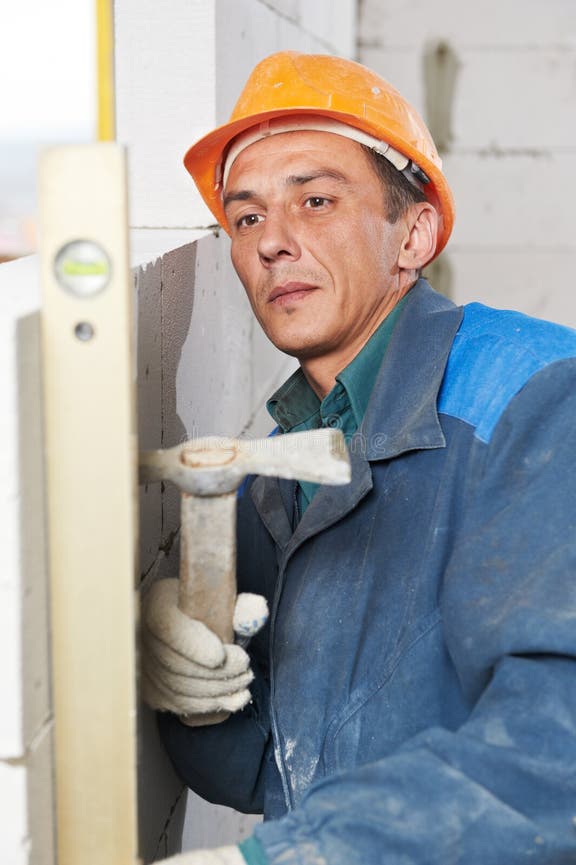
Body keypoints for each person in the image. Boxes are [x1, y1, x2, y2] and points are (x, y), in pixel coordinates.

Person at [141, 51, 576, 864]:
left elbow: (558, 750)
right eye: (246, 217)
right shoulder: (282, 464)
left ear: (413, 234)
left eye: (315, 200)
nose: (274, 242)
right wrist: (195, 691)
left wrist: (292, 858)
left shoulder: (539, 399)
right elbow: (286, 769)